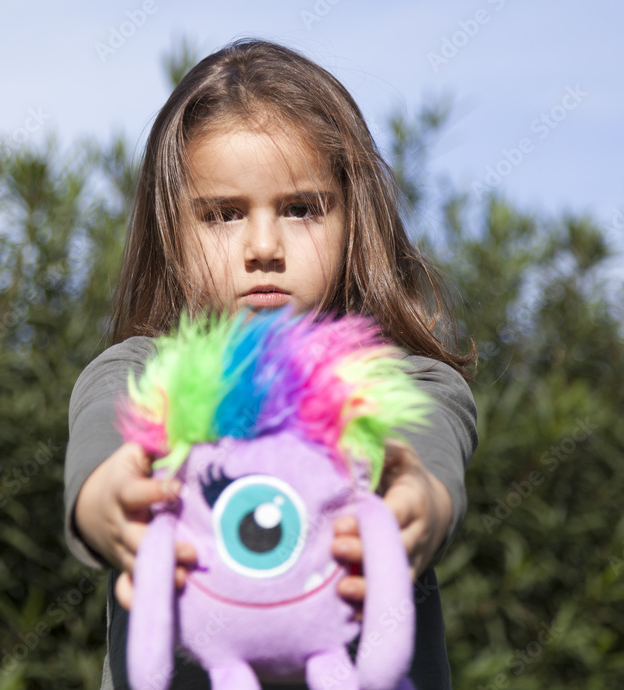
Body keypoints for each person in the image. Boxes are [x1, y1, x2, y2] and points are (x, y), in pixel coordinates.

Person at [63, 37, 478, 689]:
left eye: (300, 208)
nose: (263, 247)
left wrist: (420, 498)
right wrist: (103, 501)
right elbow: (99, 447)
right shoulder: (143, 374)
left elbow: (427, 459)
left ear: (354, 218)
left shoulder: (405, 382)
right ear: (172, 233)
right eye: (223, 215)